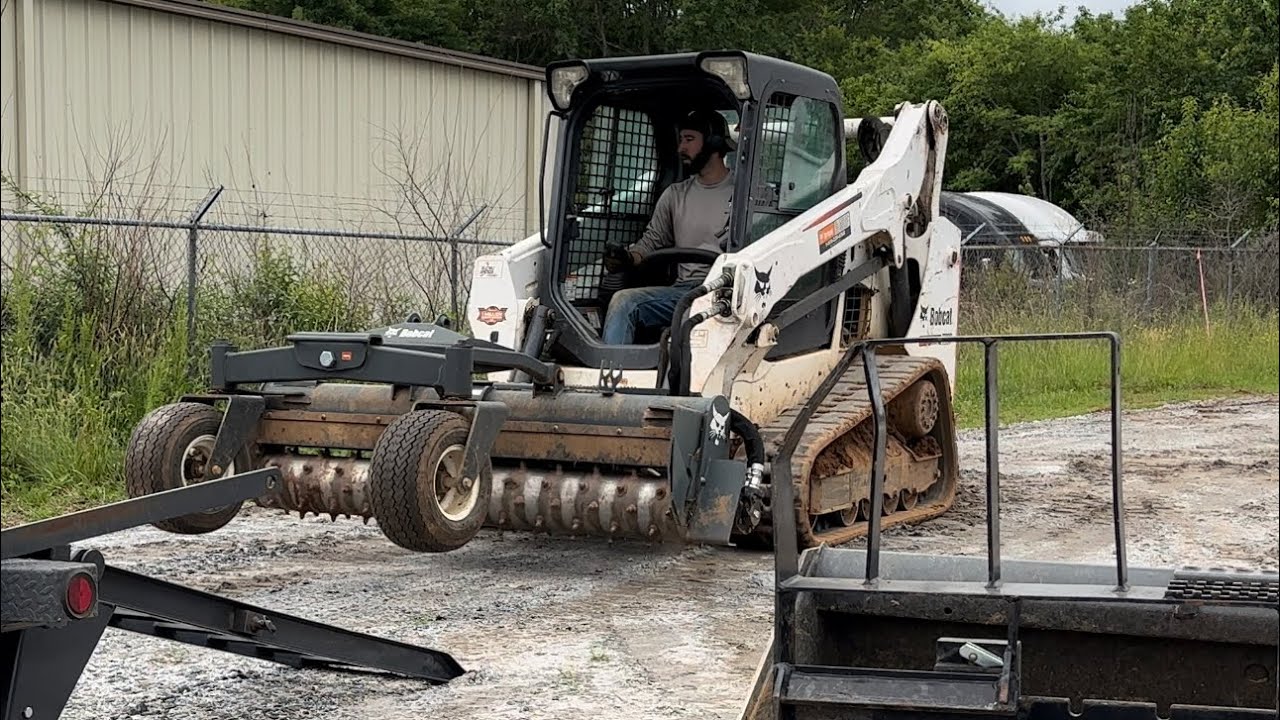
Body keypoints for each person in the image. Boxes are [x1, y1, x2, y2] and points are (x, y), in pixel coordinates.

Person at [600, 109, 737, 345]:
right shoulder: (675, 195)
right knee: (625, 302)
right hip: (684, 293)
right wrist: (628, 257)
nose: (681, 148)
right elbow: (651, 241)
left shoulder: (743, 195)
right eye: (680, 140)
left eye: (689, 139)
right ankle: (612, 367)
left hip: (729, 295)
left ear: (714, 142)